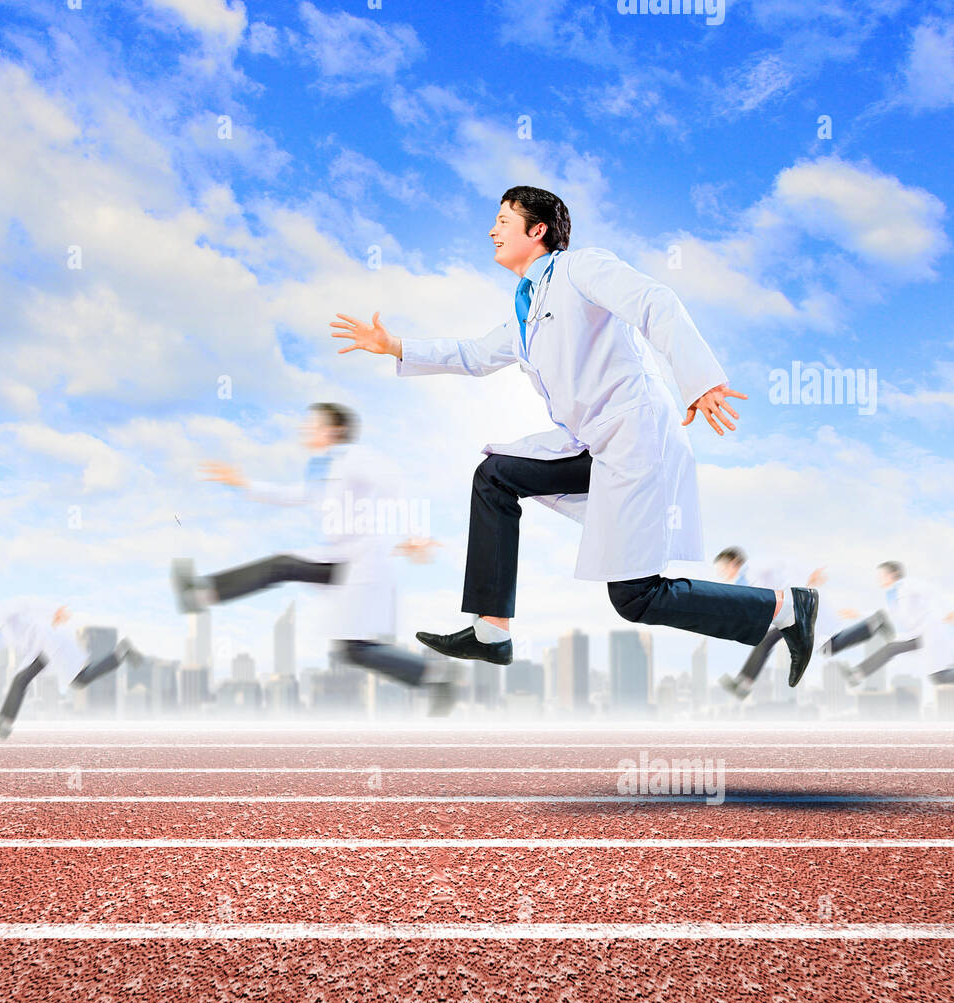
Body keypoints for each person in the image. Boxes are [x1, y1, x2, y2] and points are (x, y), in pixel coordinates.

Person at [331, 186, 817, 686]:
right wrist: (394, 346)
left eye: (503, 220)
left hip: (635, 439)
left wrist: (700, 379)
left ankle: (785, 608)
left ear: (536, 230)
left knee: (636, 597)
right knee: (495, 475)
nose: (491, 230)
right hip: (596, 449)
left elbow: (654, 301)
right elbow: (474, 355)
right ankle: (491, 630)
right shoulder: (525, 312)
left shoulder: (580, 269)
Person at [171, 402, 458, 716]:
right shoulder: (327, 468)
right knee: (350, 647)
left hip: (359, 562)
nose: (305, 429)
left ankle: (201, 593)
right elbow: (295, 494)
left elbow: (392, 484)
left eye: (314, 424)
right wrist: (244, 484)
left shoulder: (357, 459)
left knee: (296, 581)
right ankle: (435, 677)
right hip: (341, 562)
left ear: (335, 430)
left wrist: (416, 534)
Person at [0, 596, 142, 738]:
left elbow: (27, 604)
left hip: (48, 643)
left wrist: (55, 610)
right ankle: (4, 724)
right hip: (38, 651)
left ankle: (121, 652)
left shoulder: (0, 612)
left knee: (80, 681)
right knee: (20, 679)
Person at [821, 561, 954, 694]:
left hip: (931, 631)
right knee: (890, 648)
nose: (879, 579)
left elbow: (932, 591)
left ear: (893, 574)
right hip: (917, 635)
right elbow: (887, 612)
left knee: (938, 677)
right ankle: (856, 675)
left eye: (882, 575)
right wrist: (858, 613)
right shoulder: (893, 595)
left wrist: (949, 611)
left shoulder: (908, 584)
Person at [712, 547, 827, 699]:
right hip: (789, 608)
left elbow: (782, 567)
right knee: (766, 642)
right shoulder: (745, 576)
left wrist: (810, 576)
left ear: (733, 563)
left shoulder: (754, 569)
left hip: (794, 606)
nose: (722, 573)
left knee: (770, 642)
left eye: (723, 569)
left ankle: (744, 684)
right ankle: (744, 684)